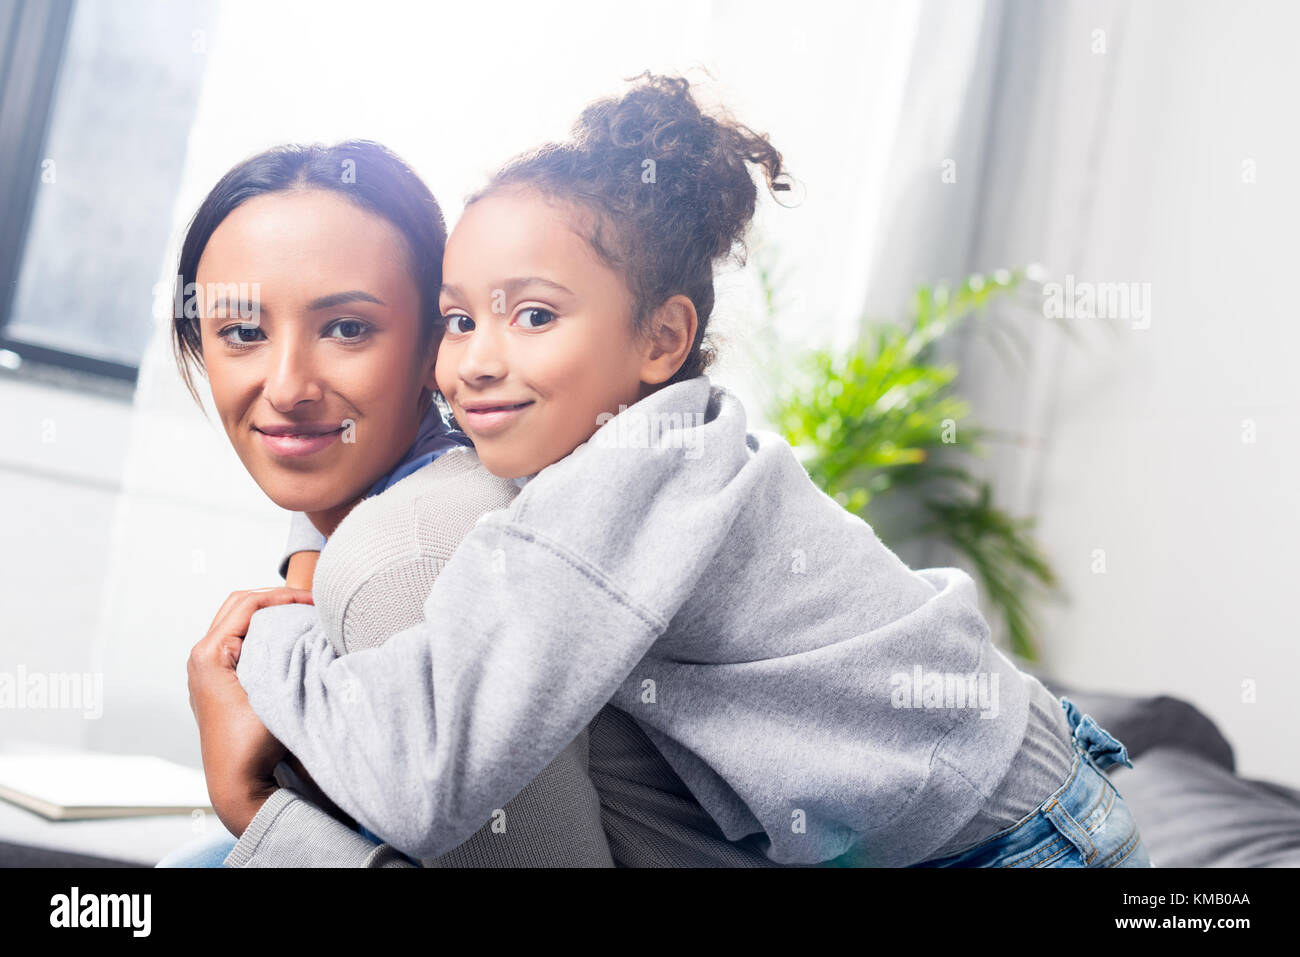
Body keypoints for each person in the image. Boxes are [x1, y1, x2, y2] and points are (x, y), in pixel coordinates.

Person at [221, 73, 1152, 867]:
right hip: (1018, 780)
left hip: (1025, 840)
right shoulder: (644, 439)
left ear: (663, 337)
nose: (474, 361)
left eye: (535, 316)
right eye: (459, 319)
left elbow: (429, 781)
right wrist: (310, 558)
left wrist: (272, 650)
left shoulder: (610, 491)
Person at [165, 140, 611, 867]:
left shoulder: (405, 557)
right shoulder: (395, 488)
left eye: (347, 329)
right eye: (243, 332)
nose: (287, 386)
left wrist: (250, 801)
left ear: (434, 344)